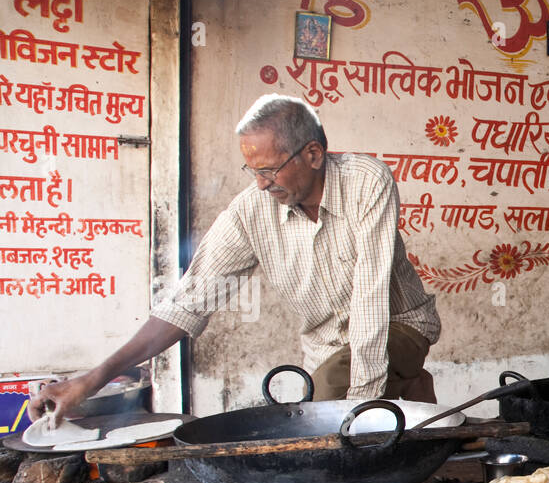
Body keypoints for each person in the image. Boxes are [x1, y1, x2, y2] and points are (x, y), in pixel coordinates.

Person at [30, 94, 440, 421]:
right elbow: (187, 303)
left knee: (330, 400)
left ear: (313, 155)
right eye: (252, 171)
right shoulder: (250, 211)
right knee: (321, 398)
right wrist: (92, 379)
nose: (261, 185)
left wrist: (355, 410)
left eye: (270, 170)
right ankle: (411, 387)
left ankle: (401, 379)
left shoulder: (366, 182)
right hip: (326, 348)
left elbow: (370, 298)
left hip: (397, 324)